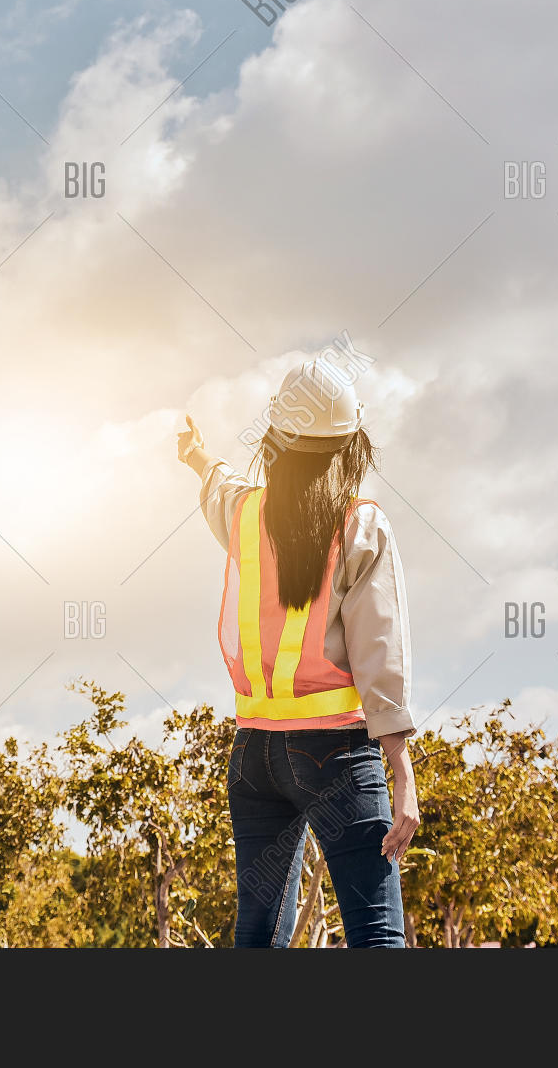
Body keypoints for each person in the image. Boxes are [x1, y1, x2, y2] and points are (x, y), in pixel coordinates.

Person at [177, 357, 419, 948]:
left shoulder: (246, 516)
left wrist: (195, 454)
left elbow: (221, 485)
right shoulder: (362, 526)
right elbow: (378, 650)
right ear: (350, 442)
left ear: (277, 439)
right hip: (337, 752)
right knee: (375, 935)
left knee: (258, 937)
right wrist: (403, 771)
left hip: (253, 755)